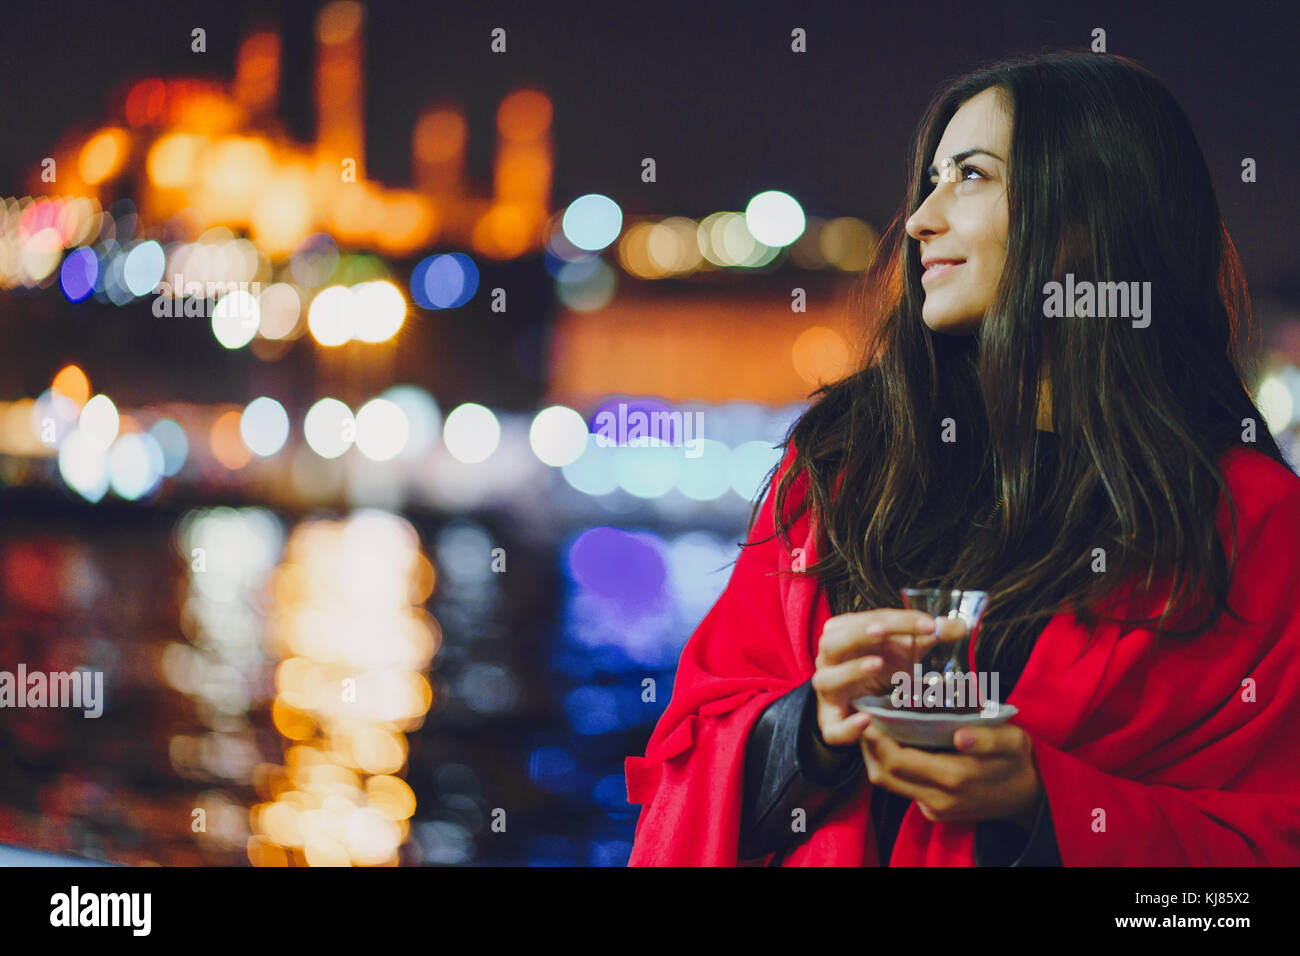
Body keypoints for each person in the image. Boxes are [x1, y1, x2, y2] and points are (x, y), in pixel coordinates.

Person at [624, 50, 1300, 866]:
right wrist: (812, 728)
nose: (918, 220)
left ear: (1089, 212)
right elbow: (685, 762)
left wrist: (1044, 809)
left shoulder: (1251, 525)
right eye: (932, 179)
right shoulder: (845, 465)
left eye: (970, 177)